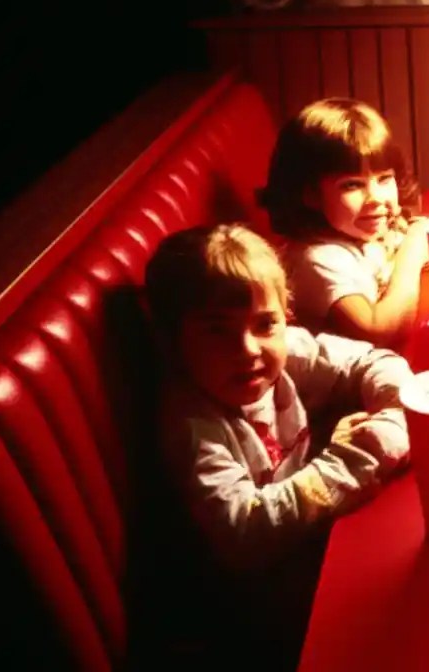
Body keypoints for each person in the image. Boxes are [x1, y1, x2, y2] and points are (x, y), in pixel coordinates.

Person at [145, 223, 412, 665]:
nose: (248, 348)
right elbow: (246, 533)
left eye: (265, 323)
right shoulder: (193, 425)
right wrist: (363, 453)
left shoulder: (285, 350)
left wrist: (395, 410)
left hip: (316, 551)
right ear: (174, 342)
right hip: (257, 614)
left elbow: (373, 361)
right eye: (218, 331)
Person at [258, 97, 429, 350]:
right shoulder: (316, 259)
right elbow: (377, 332)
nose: (376, 198)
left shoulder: (355, 231)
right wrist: (412, 253)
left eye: (384, 179)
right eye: (352, 184)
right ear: (311, 195)